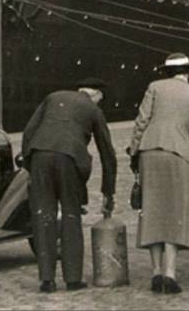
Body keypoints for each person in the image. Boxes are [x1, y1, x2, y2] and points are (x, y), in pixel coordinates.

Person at [127, 53, 189, 294]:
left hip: (150, 152)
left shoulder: (154, 87)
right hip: (178, 154)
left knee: (153, 210)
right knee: (176, 212)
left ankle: (156, 272)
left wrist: (134, 151)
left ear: (165, 72)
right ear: (188, 71)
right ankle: (170, 273)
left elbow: (141, 121)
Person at [22, 78, 117, 293]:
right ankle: (73, 278)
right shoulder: (93, 110)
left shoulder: (53, 97)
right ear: (96, 95)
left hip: (40, 156)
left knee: (43, 215)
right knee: (71, 216)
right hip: (70, 159)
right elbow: (107, 154)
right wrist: (107, 192)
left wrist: (30, 165)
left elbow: (29, 132)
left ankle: (46, 280)